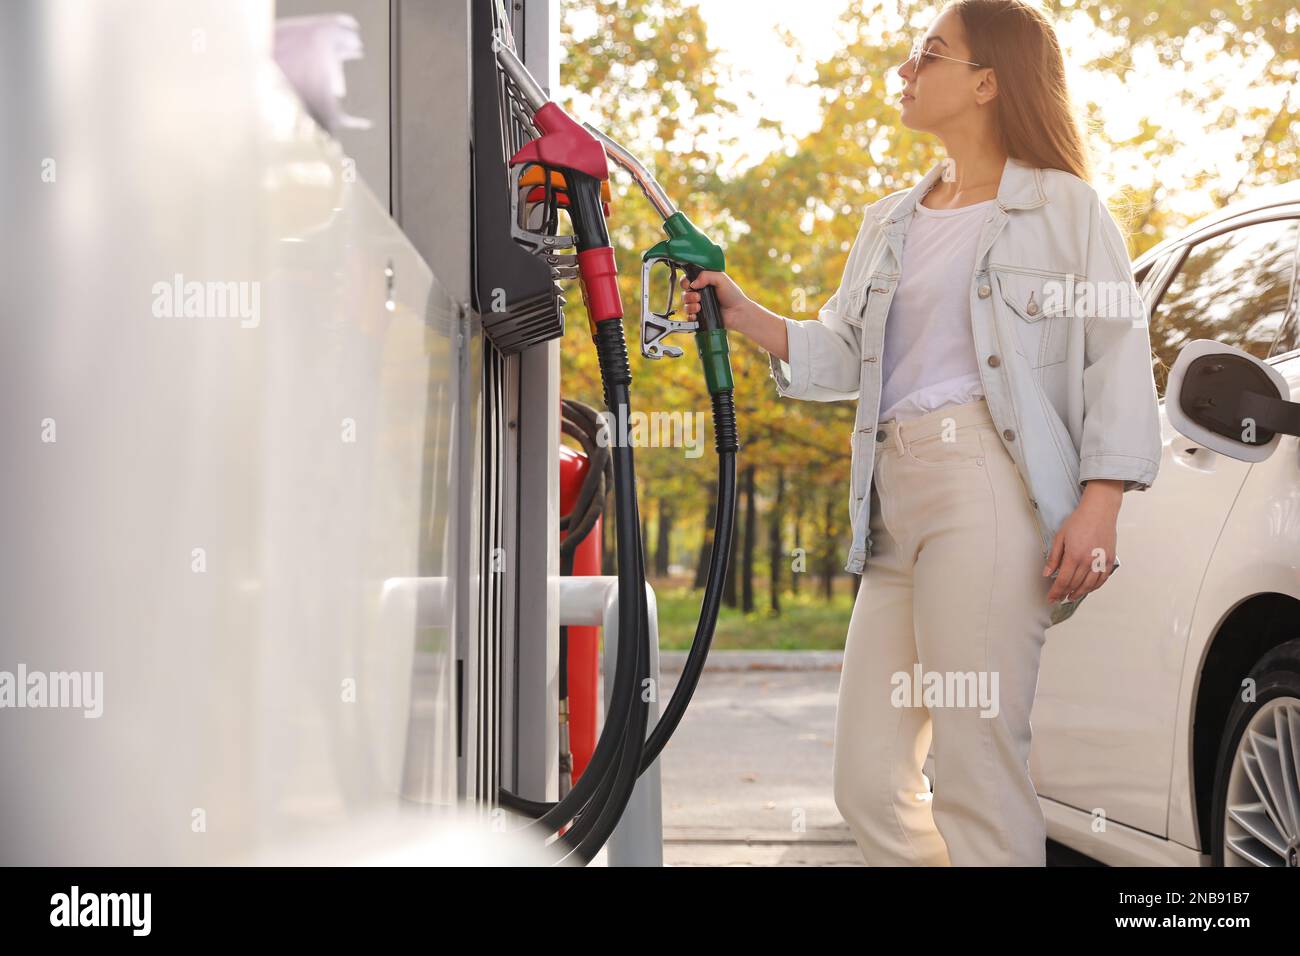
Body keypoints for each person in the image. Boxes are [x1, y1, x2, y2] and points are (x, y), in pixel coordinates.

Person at [679, 0, 1162, 865]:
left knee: (976, 766)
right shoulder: (890, 222)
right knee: (867, 781)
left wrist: (1102, 502)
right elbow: (844, 354)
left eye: (926, 54)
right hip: (892, 503)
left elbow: (1117, 355)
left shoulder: (1065, 210)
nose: (905, 70)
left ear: (987, 83)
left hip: (987, 487)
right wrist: (745, 312)